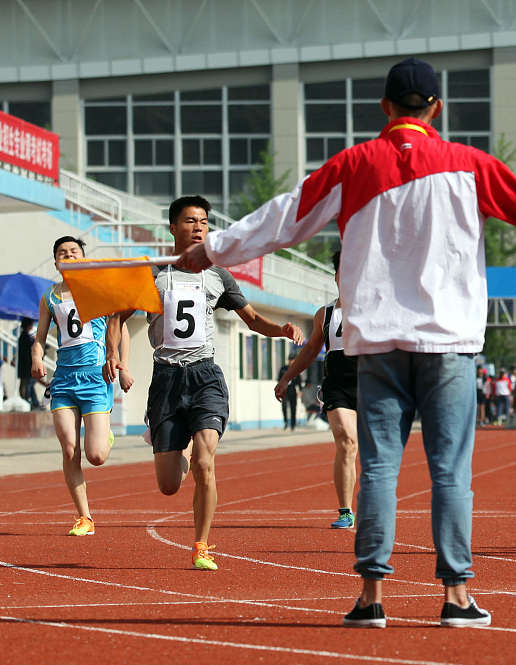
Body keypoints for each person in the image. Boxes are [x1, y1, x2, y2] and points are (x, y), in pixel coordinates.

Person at [177, 58, 516, 625]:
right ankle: (456, 597)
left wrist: (210, 251)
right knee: (450, 471)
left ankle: (370, 598)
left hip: (376, 341)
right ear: (437, 108)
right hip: (448, 341)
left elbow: (283, 218)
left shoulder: (353, 164)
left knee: (379, 469)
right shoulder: (468, 164)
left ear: (384, 107)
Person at [109, 195, 305, 571]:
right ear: (171, 227)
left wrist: (280, 330)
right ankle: (175, 445)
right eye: (189, 221)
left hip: (205, 377)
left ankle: (201, 544)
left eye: (203, 221)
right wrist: (113, 355)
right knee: (168, 485)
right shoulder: (154, 273)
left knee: (205, 461)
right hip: (166, 379)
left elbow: (251, 319)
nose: (198, 227)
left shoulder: (217, 273)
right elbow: (117, 318)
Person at [31, 236, 133, 536]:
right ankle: (85, 517)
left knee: (96, 456)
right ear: (56, 262)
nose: (69, 255)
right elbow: (39, 337)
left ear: (84, 257)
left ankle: (105, 436)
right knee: (69, 449)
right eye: (63, 252)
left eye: (74, 251)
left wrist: (122, 365)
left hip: (96, 377)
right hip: (64, 379)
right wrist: (37, 357)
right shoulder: (50, 296)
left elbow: (120, 328)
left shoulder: (101, 290)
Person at [275, 251, 359, 529]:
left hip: (372, 385)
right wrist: (286, 378)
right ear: (336, 277)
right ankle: (346, 510)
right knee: (346, 441)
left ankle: (375, 503)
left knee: (372, 448)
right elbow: (311, 349)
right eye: (342, 272)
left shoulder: (376, 308)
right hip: (338, 386)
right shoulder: (326, 314)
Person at [17, 317, 41, 409]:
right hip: (26, 365)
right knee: (26, 383)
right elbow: (26, 352)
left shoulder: (25, 337)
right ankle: (26, 400)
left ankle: (31, 401)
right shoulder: (25, 337)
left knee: (28, 384)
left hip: (26, 364)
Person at [278, 354, 300, 430]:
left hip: (292, 390)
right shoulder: (284, 369)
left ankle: (293, 424)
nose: (291, 361)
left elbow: (299, 381)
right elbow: (279, 379)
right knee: (284, 406)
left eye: (292, 360)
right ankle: (286, 422)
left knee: (293, 407)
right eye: (290, 360)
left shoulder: (296, 369)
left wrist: (300, 391)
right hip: (285, 390)